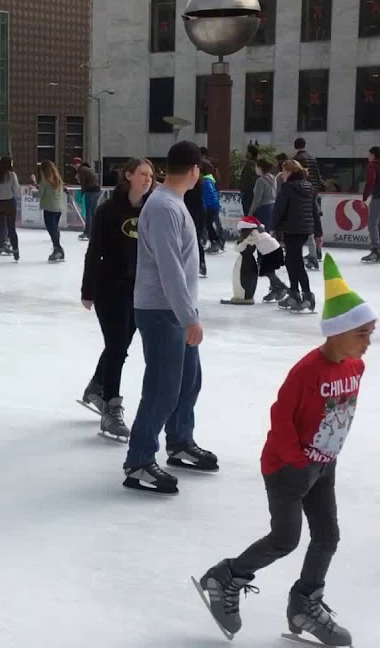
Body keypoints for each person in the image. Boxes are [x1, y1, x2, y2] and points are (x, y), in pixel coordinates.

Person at [195, 255, 373, 648]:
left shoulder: (355, 368)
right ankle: (227, 576)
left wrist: (323, 458)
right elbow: (280, 419)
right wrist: (296, 462)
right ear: (337, 332)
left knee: (328, 536)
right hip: (287, 467)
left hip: (323, 466)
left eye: (370, 333)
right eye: (362, 333)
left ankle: (305, 603)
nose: (368, 342)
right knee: (284, 539)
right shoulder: (307, 372)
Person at [123, 141, 217, 495]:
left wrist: (188, 313)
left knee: (189, 380)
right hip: (162, 311)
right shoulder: (164, 207)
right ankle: (138, 461)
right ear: (194, 169)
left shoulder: (174, 203)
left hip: (178, 310)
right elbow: (169, 268)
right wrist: (188, 317)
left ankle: (179, 441)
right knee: (163, 388)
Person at [81, 158, 153, 441]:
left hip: (140, 290)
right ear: (129, 175)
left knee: (120, 346)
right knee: (116, 345)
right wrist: (87, 290)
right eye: (143, 174)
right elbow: (94, 251)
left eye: (151, 175)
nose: (147, 179)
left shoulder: (151, 210)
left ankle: (96, 386)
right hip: (109, 288)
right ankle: (111, 407)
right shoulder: (108, 210)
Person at [273, 160, 317, 313]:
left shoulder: (288, 187)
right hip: (304, 229)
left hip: (291, 229)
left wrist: (274, 227)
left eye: (284, 171)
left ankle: (307, 295)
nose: (282, 175)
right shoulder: (309, 186)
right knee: (292, 261)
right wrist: (318, 231)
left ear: (290, 171)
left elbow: (279, 209)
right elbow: (314, 209)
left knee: (295, 262)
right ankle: (294, 293)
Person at [37, 160, 67, 262]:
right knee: (55, 229)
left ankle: (57, 249)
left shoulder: (45, 180)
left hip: (49, 208)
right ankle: (58, 249)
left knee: (52, 230)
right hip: (58, 208)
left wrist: (32, 191)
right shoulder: (58, 180)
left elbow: (39, 194)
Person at [247, 159, 277, 230]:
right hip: (273, 206)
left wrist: (250, 212)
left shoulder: (260, 181)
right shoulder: (273, 178)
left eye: (256, 167)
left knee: (261, 231)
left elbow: (257, 199)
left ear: (260, 168)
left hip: (263, 208)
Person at [77, 160, 102, 241]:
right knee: (93, 213)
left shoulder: (82, 170)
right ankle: (94, 232)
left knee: (89, 213)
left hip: (91, 191)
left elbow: (83, 183)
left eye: (75, 164)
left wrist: (82, 193)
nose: (75, 166)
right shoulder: (88, 169)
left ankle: (88, 233)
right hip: (97, 191)